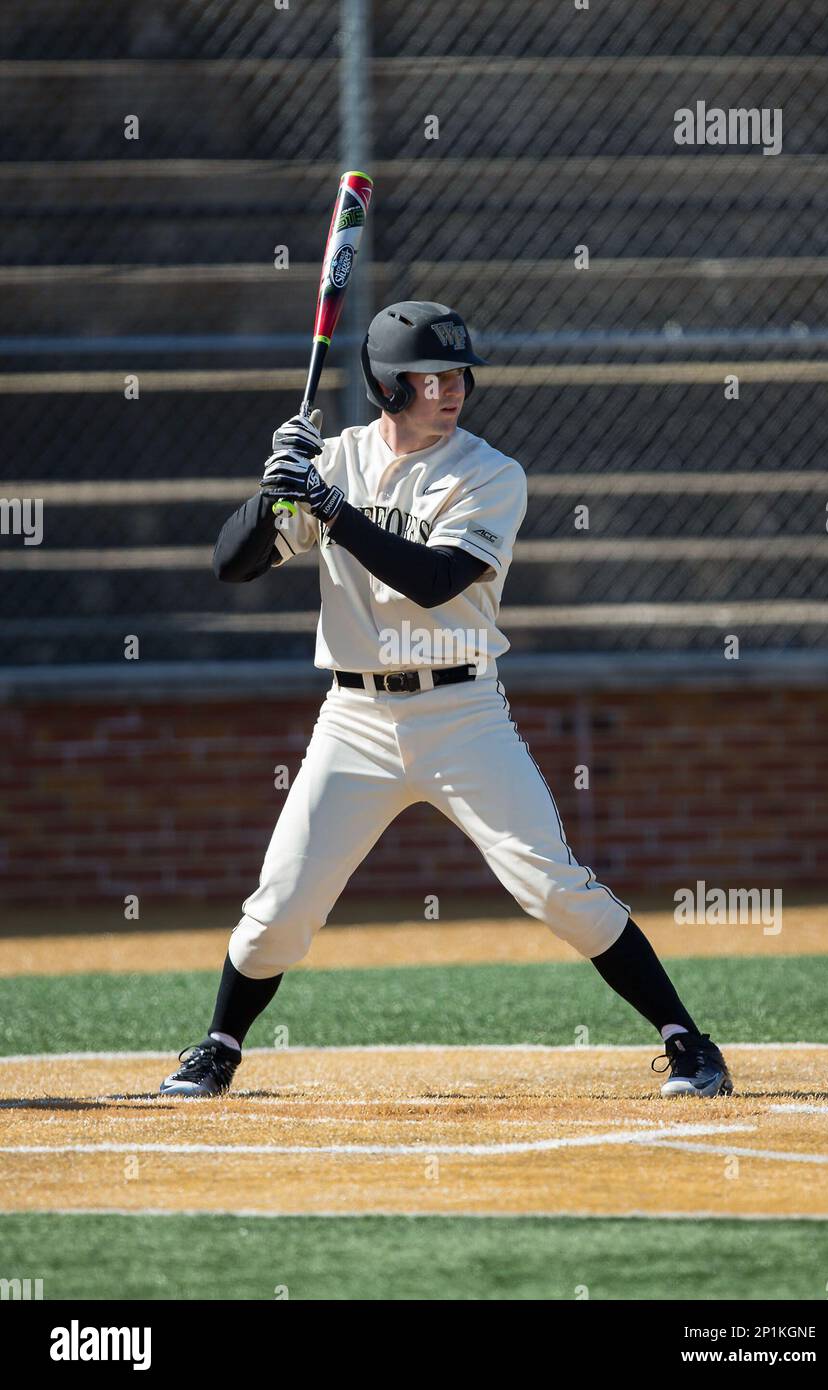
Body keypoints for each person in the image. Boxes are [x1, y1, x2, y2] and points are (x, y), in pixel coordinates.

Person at [160, 301, 732, 1100]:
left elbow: (432, 583)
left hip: (461, 714)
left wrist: (329, 506)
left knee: (551, 885)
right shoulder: (338, 459)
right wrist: (273, 491)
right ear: (391, 386)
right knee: (282, 903)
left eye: (460, 373)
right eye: (433, 376)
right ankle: (218, 1047)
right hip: (353, 718)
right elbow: (233, 565)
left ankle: (690, 1043)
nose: (454, 388)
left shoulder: (491, 474)